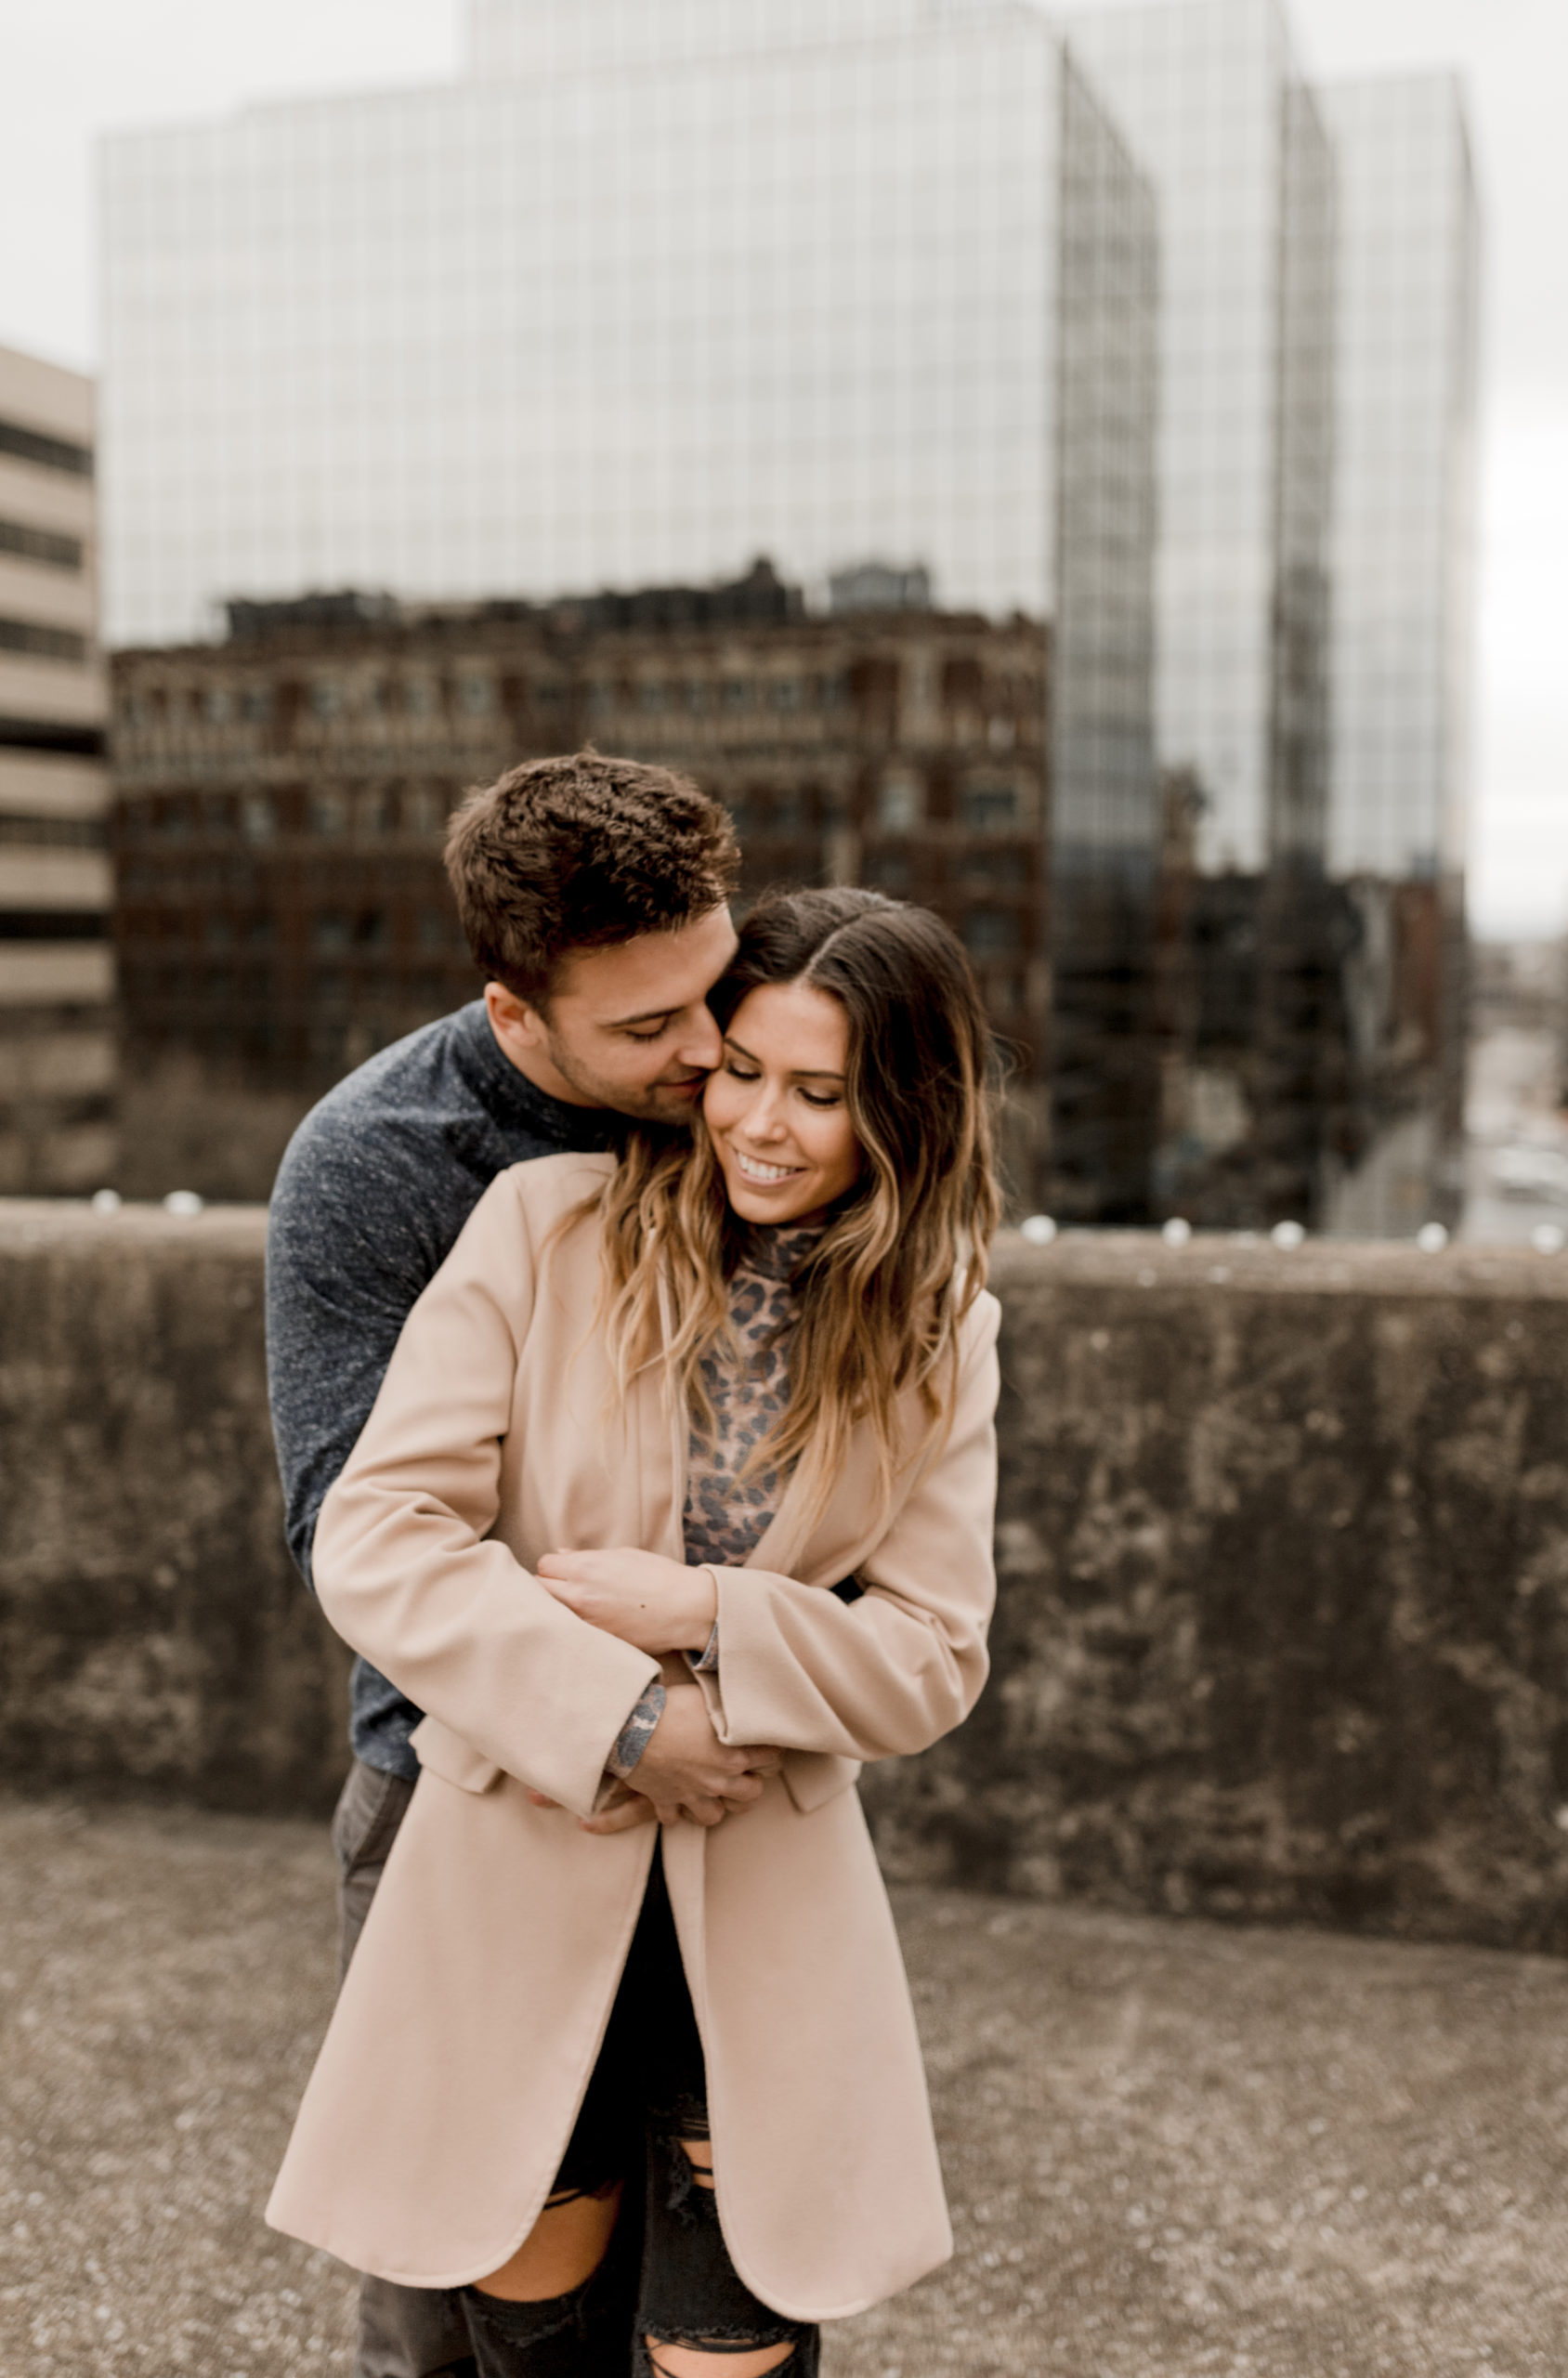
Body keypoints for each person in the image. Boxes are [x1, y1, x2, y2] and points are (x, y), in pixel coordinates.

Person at [266, 885, 1004, 2378]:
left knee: (724, 2351)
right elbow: (378, 1531)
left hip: (764, 1894)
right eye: (744, 1072)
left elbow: (935, 1651)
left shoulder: (945, 1323)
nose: (766, 1126)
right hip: (515, 1863)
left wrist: (711, 1613)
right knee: (529, 2344)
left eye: (823, 1093)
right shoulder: (545, 1227)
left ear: (906, 1114)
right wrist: (614, 1711)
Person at [266, 751, 759, 2378]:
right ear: (516, 1013)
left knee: (712, 2297)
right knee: (446, 2300)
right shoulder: (374, 1161)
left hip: (737, 1799)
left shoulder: (757, 1093)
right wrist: (624, 1717)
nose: (709, 1054)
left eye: (717, 989)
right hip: (456, 1798)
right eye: (647, 1029)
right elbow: (359, 1532)